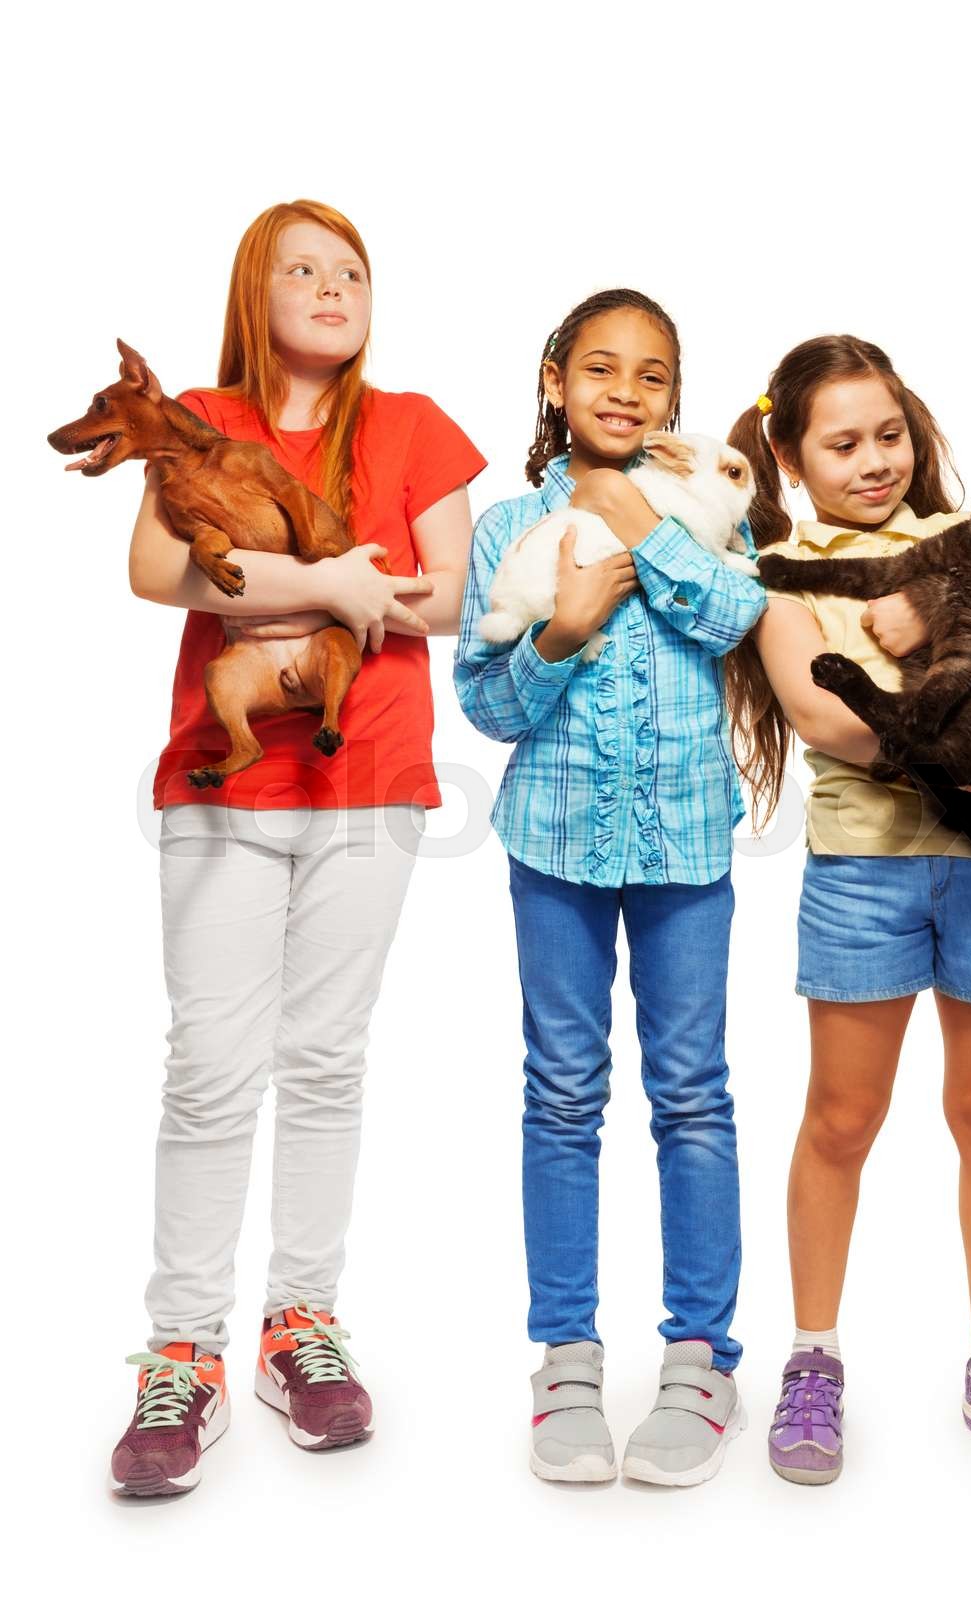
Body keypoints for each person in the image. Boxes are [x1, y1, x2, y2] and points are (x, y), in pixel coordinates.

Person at [109, 199, 486, 1497]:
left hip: (365, 778)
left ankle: (301, 1324)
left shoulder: (414, 426)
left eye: (352, 270)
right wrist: (332, 585)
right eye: (302, 270)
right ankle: (181, 1347)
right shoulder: (199, 420)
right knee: (211, 1066)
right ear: (251, 296)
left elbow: (452, 594)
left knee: (324, 1059)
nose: (333, 286)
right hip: (219, 787)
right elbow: (160, 569)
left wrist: (327, 594)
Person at [728, 334, 971, 1492]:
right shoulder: (785, 575)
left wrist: (946, 616)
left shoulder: (960, 547)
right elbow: (830, 722)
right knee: (841, 1120)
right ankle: (813, 1358)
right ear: (791, 456)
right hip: (864, 875)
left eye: (889, 433)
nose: (874, 460)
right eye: (842, 444)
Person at [454, 289, 765, 1486]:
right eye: (600, 368)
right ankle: (568, 1362)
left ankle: (698, 1356)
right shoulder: (506, 525)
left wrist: (641, 522)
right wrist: (559, 632)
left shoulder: (702, 506)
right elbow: (483, 704)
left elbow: (737, 615)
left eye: (651, 375)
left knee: (693, 1094)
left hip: (688, 847)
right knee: (562, 1094)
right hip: (555, 847)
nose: (626, 391)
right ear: (554, 381)